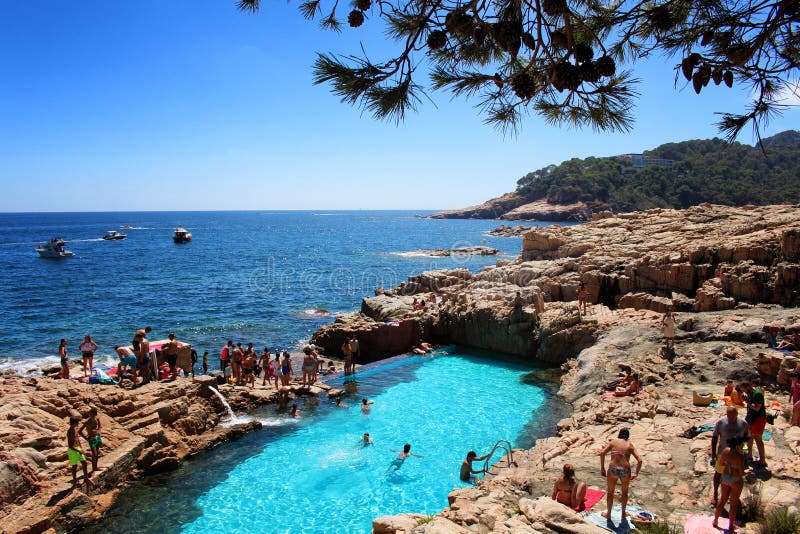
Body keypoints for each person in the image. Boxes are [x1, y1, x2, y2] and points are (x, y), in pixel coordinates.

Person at [598, 428, 642, 521]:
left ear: (619, 434)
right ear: (628, 436)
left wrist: (602, 468)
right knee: (624, 493)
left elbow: (602, 453)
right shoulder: (629, 445)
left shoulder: (613, 442)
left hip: (613, 469)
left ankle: (609, 514)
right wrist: (636, 473)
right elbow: (640, 460)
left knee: (610, 492)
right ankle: (623, 513)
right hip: (625, 470)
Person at [711, 406, 749, 506]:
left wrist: (745, 452)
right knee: (718, 473)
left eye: (732, 415)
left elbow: (745, 439)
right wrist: (713, 452)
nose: (730, 417)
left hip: (738, 455)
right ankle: (715, 494)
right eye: (728, 415)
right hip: (723, 453)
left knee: (737, 475)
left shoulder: (743, 424)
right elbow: (715, 437)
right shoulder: (721, 422)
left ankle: (736, 496)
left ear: (737, 414)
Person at [712, 436, 747, 532]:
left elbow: (721, 463)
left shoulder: (725, 451)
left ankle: (715, 520)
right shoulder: (740, 457)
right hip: (735, 480)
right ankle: (731, 525)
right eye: (741, 445)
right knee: (733, 503)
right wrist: (748, 472)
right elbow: (740, 473)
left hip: (725, 477)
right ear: (737, 446)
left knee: (722, 499)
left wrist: (728, 465)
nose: (743, 446)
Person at [743, 382, 768, 467]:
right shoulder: (750, 392)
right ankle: (749, 456)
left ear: (748, 387)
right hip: (751, 417)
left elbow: (757, 408)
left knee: (758, 438)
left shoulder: (757, 394)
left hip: (758, 418)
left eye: (744, 390)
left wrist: (747, 402)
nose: (744, 392)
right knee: (750, 436)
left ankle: (762, 461)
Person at [67, 416, 91, 488]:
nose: (78, 424)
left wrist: (81, 448)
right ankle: (74, 482)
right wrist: (78, 450)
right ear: (74, 423)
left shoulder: (75, 429)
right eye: (77, 423)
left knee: (84, 463)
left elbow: (77, 439)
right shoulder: (70, 432)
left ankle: (86, 478)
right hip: (73, 450)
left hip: (78, 448)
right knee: (74, 466)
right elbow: (70, 445)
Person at [79, 407, 102, 473]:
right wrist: (86, 438)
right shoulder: (87, 421)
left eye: (92, 414)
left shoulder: (97, 418)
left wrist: (99, 431)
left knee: (97, 453)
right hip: (91, 438)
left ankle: (95, 467)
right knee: (94, 454)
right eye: (90, 414)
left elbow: (100, 426)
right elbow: (80, 431)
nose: (91, 415)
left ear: (95, 414)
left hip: (97, 437)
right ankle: (93, 468)